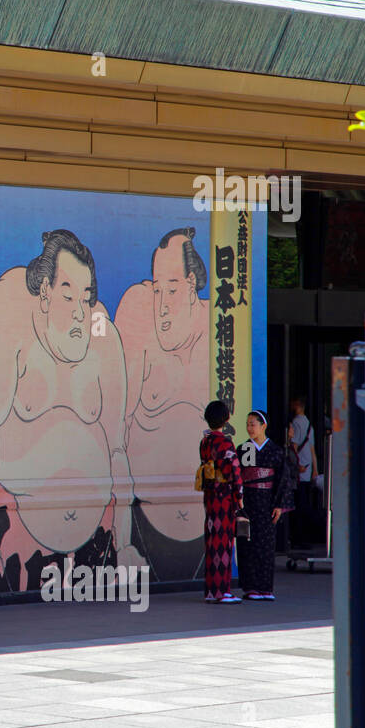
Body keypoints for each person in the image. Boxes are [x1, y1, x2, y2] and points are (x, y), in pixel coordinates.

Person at [0, 228, 138, 595]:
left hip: (91, 543)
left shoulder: (105, 339)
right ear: (44, 292)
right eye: (68, 295)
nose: (78, 312)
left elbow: (117, 449)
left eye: (85, 298)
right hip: (8, 536)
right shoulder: (4, 315)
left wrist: (126, 539)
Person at [114, 227, 210, 580]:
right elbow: (116, 426)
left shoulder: (218, 328)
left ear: (191, 286)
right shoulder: (136, 316)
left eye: (171, 289)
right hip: (143, 526)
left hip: (208, 520)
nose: (162, 304)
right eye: (157, 290)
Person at [238, 411, 293, 600]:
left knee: (267, 545)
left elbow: (284, 479)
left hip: (268, 503)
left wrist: (279, 505)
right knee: (247, 544)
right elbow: (240, 478)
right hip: (248, 502)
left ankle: (265, 588)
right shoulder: (245, 449)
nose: (249, 428)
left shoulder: (276, 452)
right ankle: (251, 587)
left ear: (264, 426)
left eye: (253, 424)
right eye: (247, 424)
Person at [198, 400, 243, 603]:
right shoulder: (225, 442)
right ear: (225, 419)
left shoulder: (205, 442)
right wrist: (239, 497)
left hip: (209, 496)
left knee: (211, 541)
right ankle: (222, 591)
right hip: (224, 497)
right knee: (223, 543)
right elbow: (234, 471)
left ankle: (210, 590)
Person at [287, 397, 317, 550]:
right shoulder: (309, 424)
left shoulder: (296, 423)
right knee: (305, 504)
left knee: (298, 506)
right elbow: (312, 449)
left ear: (298, 405)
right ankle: (306, 537)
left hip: (299, 471)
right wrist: (315, 470)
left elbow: (294, 446)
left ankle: (297, 538)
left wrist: (295, 466)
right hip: (307, 469)